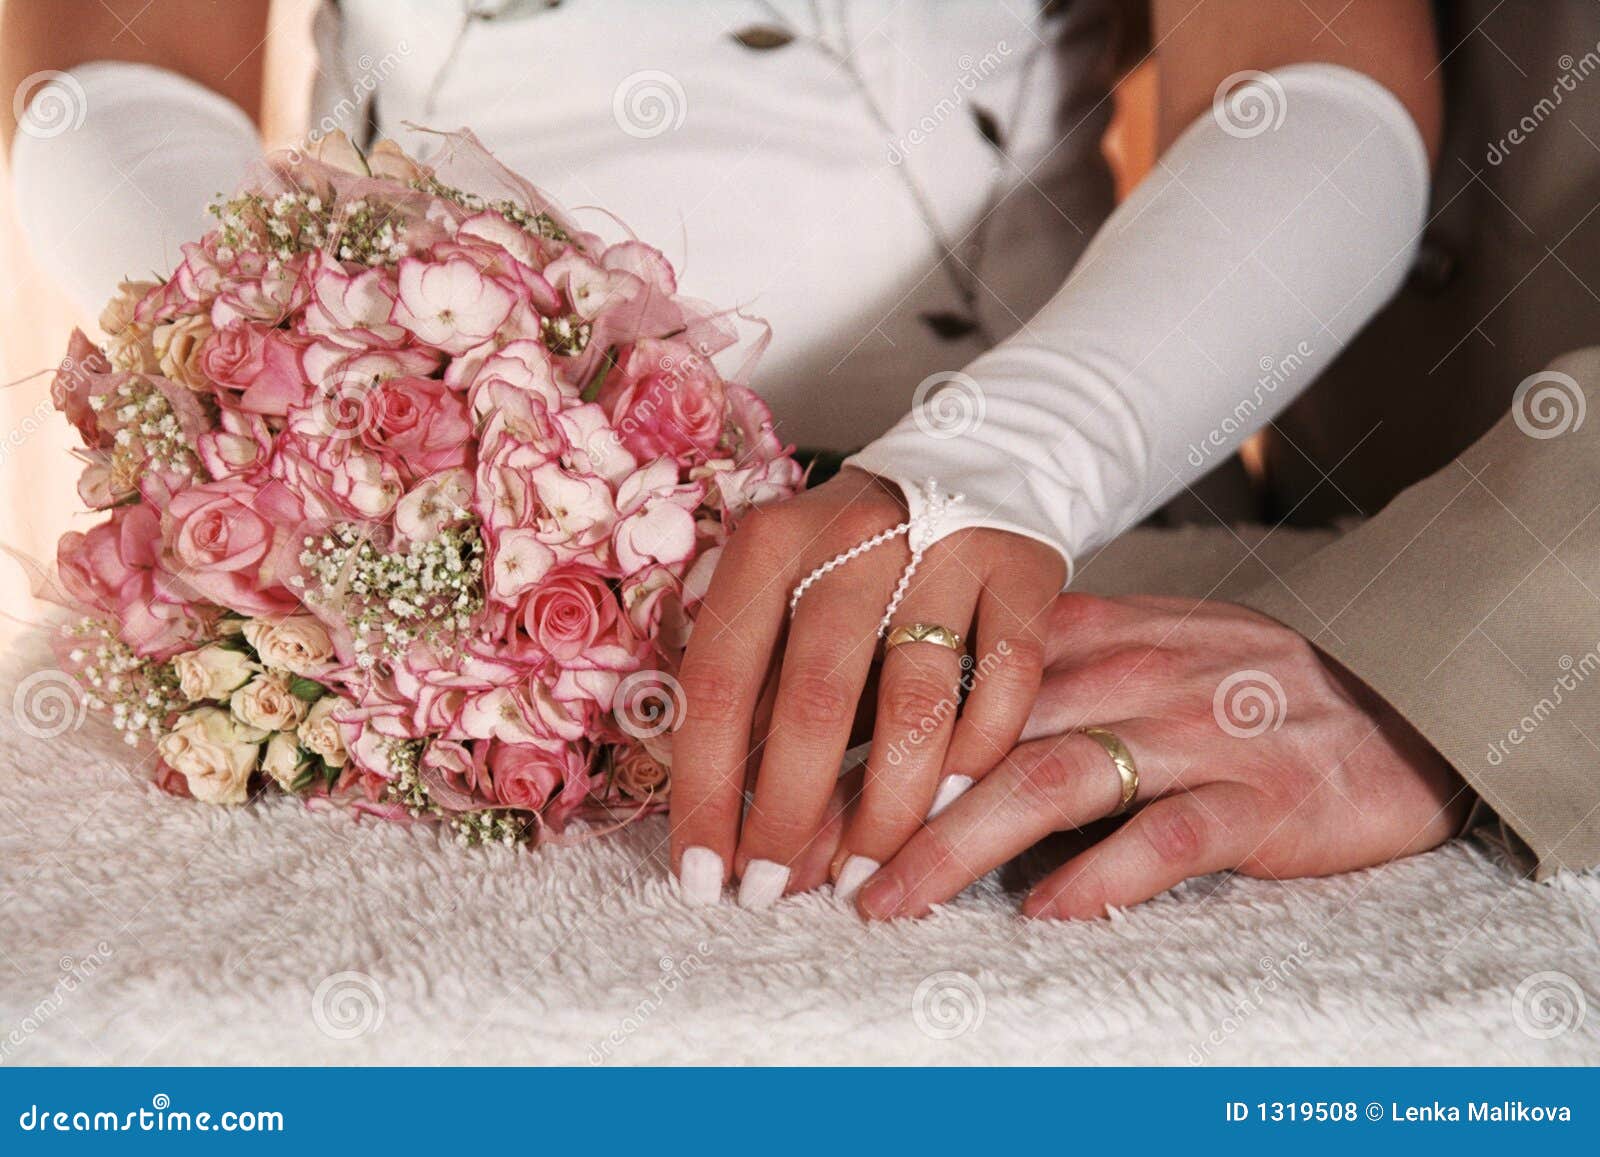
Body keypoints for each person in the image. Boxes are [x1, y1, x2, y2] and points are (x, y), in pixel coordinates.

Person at [6, 1, 1593, 920]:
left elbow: (1307, 71)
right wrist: (329, 393)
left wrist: (1029, 449)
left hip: (1053, 549)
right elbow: (100, 64)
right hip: (416, 616)